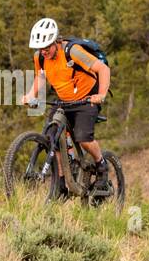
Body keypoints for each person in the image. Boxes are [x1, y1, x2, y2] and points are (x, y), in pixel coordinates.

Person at [22, 17, 111, 189]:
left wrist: (101, 94)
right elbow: (41, 77)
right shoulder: (40, 57)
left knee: (83, 137)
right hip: (64, 100)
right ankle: (62, 184)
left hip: (86, 98)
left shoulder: (73, 51)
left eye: (47, 47)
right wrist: (30, 95)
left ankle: (101, 164)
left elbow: (103, 69)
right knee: (52, 137)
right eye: (40, 48)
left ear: (56, 41)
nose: (44, 52)